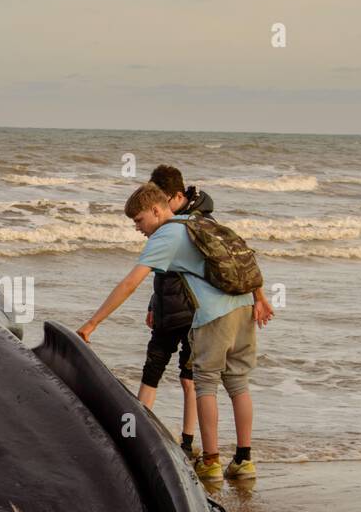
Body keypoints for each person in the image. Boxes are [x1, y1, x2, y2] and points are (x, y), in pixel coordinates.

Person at [77, 181, 273, 482]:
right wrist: (260, 298)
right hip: (244, 306)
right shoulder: (196, 221)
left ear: (156, 210)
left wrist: (93, 322)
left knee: (205, 384)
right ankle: (244, 461)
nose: (138, 228)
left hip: (214, 315)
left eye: (139, 220)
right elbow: (241, 255)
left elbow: (130, 283)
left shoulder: (165, 235)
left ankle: (210, 463)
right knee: (238, 384)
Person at [139, 164, 214, 459]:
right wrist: (152, 304)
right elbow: (159, 266)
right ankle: (137, 434)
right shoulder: (166, 222)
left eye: (159, 198)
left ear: (176, 196)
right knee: (152, 371)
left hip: (196, 312)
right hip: (166, 306)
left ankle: (187, 442)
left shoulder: (201, 223)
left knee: (189, 377)